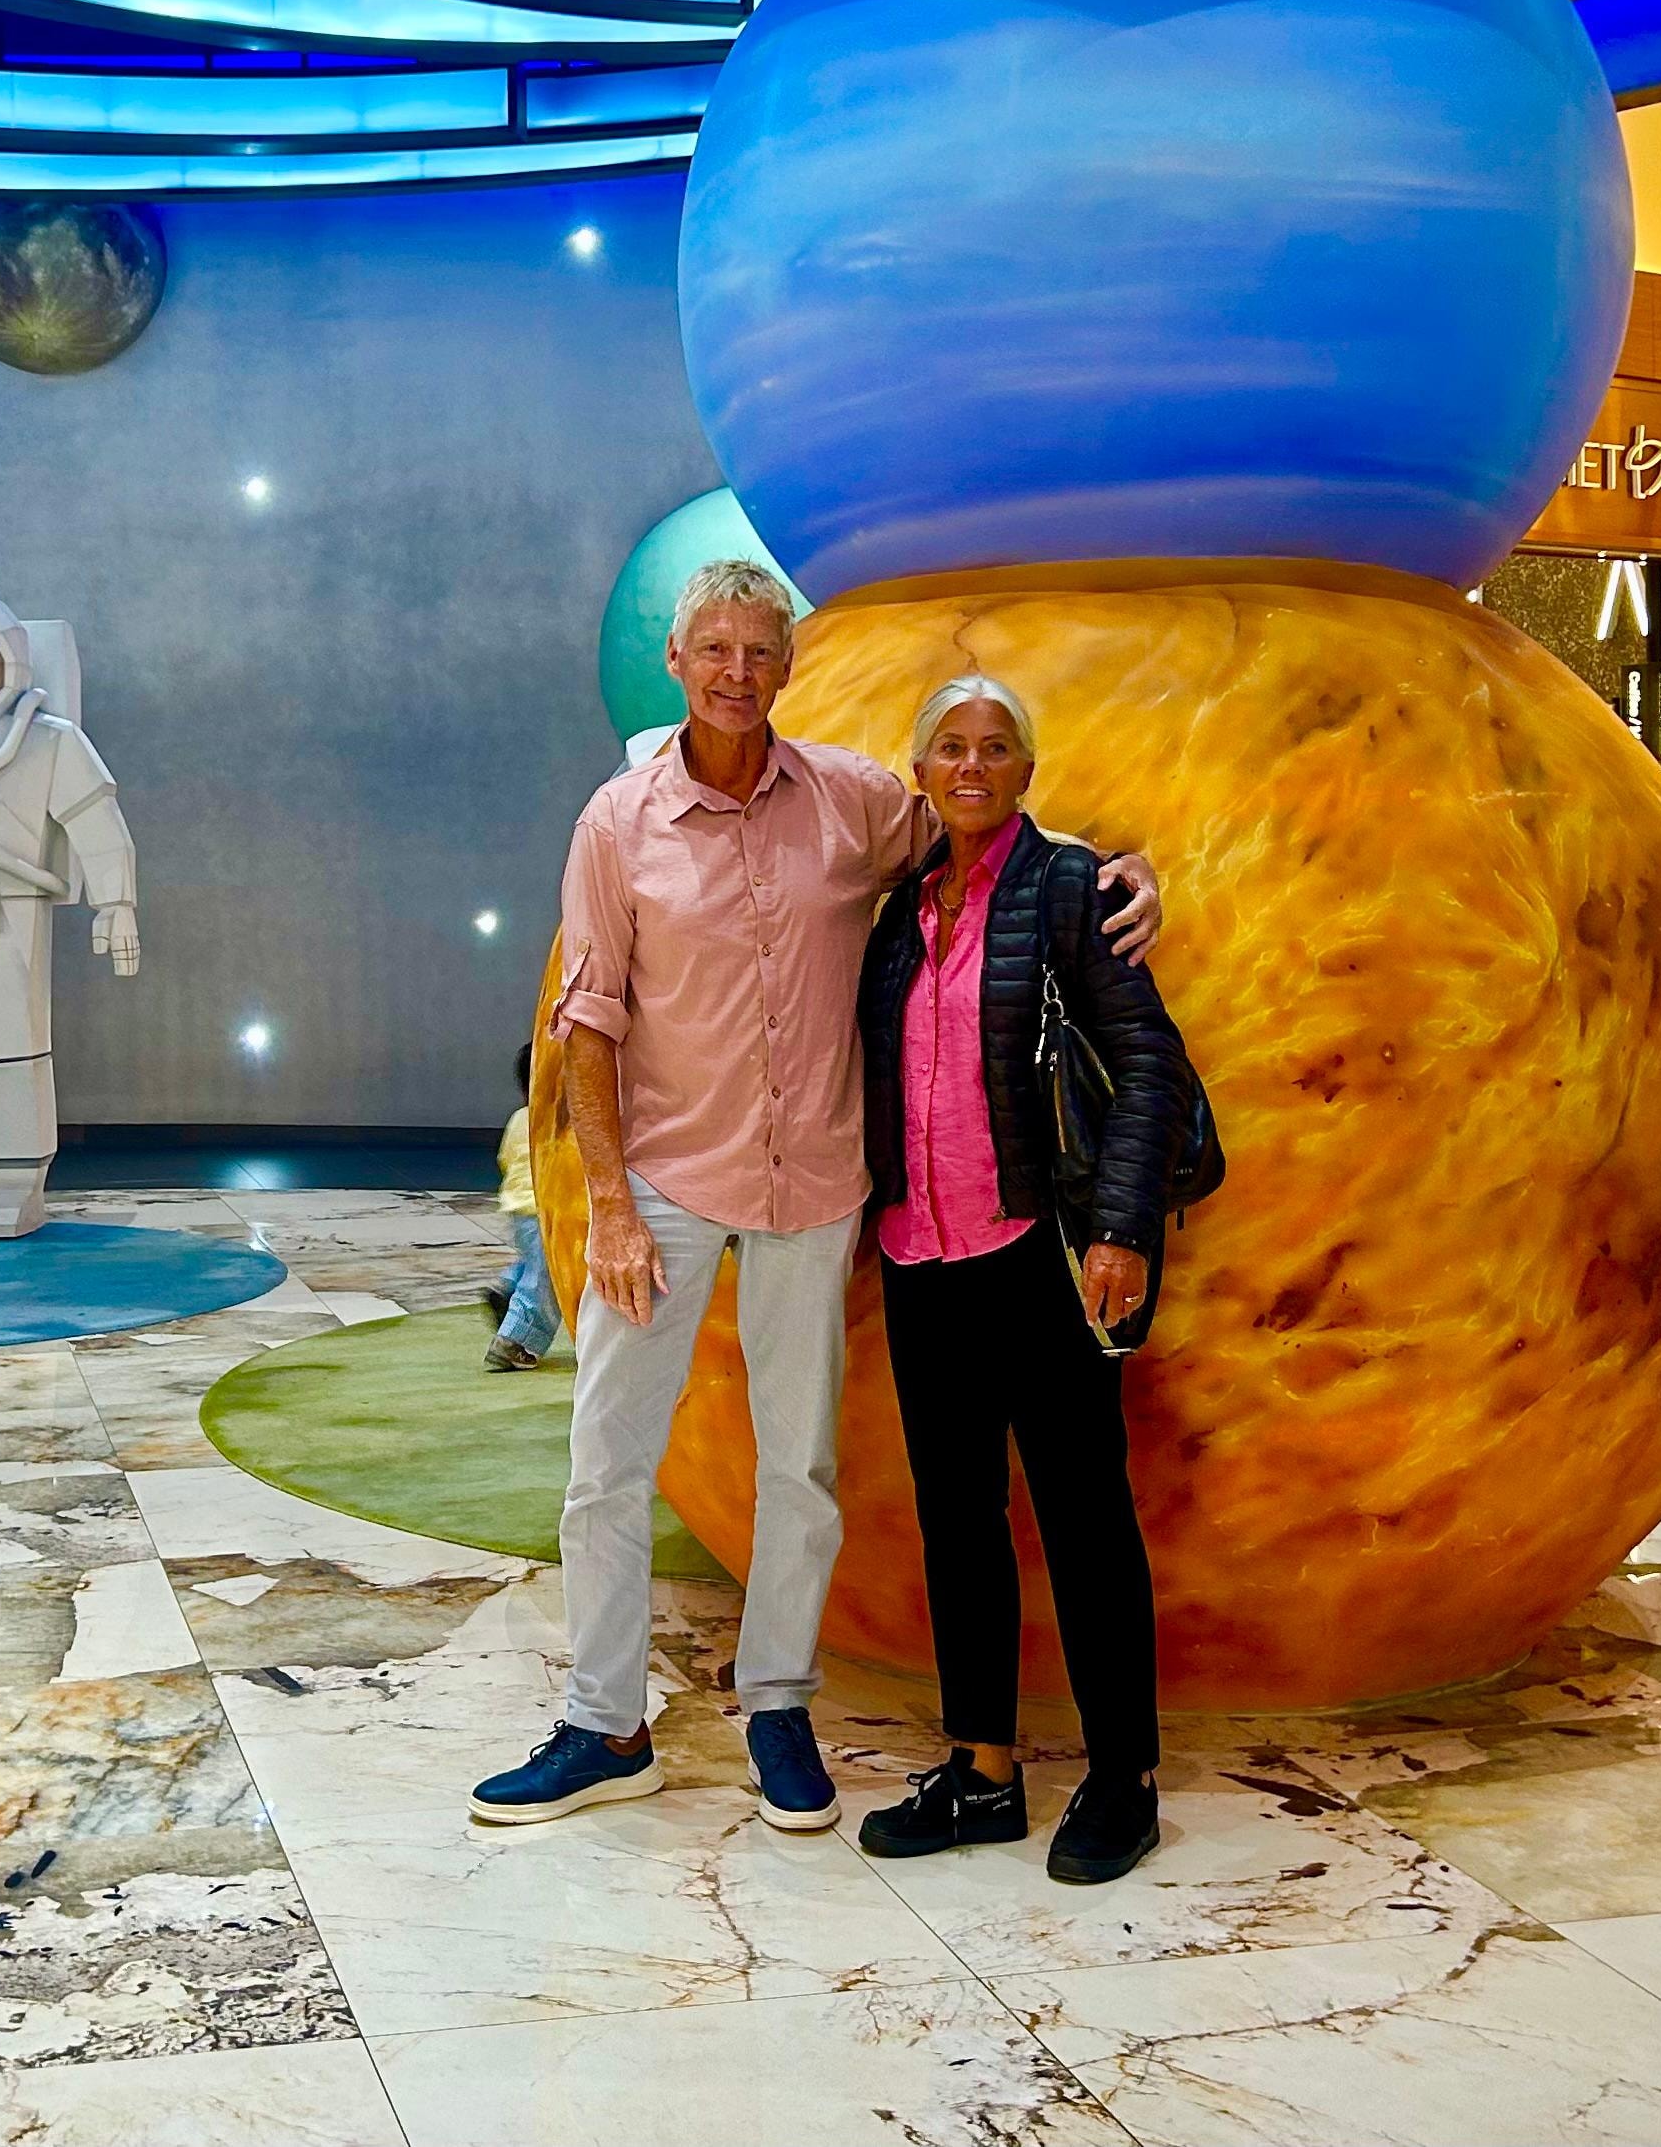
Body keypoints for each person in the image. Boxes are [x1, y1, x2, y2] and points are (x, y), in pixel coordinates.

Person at [469, 560, 1161, 1832]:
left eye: (757, 651)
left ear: (786, 668)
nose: (735, 673)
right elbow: (588, 1017)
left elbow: (985, 830)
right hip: (665, 1182)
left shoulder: (851, 799)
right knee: (607, 1460)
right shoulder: (615, 821)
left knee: (799, 1464)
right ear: (676, 662)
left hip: (818, 1186)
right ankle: (602, 1722)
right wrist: (607, 1202)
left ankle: (778, 1706)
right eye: (714, 649)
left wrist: (1121, 868)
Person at [852, 677, 1188, 1886]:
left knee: (1084, 1518)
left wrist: (1121, 1228)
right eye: (950, 746)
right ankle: (981, 1769)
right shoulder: (899, 911)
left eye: (995, 747)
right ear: (921, 771)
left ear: (1025, 770)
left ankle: (1123, 1777)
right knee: (956, 1521)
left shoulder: (1065, 886)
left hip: (1039, 1255)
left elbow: (1147, 1059)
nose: (972, 765)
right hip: (918, 1256)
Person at [485, 1042, 561, 1371]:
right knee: (546, 1281)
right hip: (545, 1211)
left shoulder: (519, 1118)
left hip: (519, 1209)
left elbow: (505, 1158)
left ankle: (508, 1286)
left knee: (534, 1264)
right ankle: (514, 1340)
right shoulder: (557, 1120)